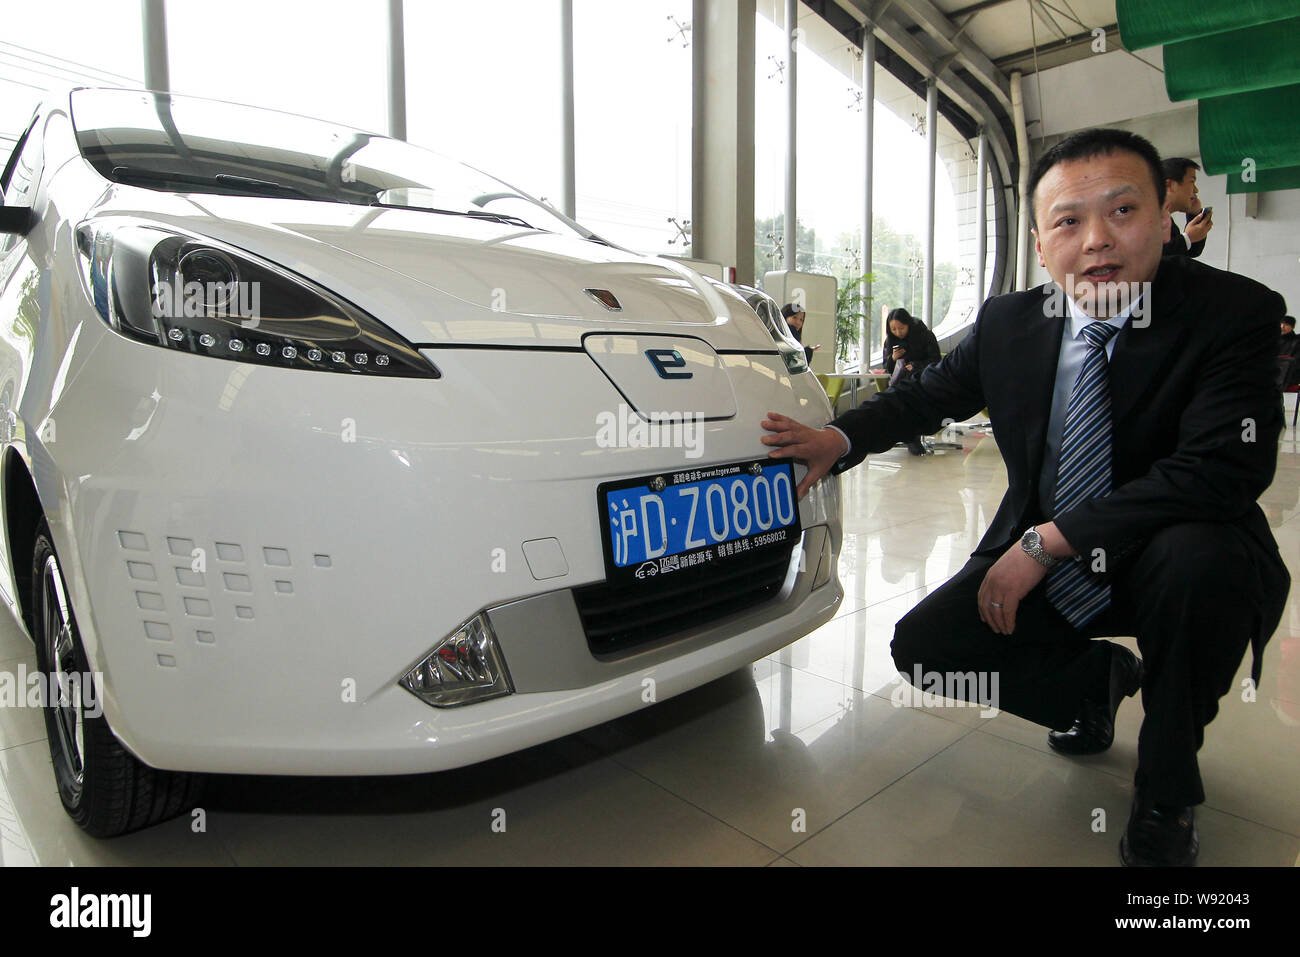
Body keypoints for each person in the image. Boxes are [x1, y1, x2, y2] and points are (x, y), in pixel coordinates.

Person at [760, 128, 1288, 867]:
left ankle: (1168, 786)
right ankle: (1097, 681)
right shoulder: (1012, 322)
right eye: (1069, 221)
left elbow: (1219, 471)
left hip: (1177, 551)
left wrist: (1046, 541)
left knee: (1201, 562)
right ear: (1042, 245)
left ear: (1164, 222)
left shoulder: (1234, 313)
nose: (1097, 240)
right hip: (1053, 548)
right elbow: (924, 399)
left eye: (1123, 210)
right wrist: (838, 440)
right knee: (928, 648)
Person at [882, 307, 942, 454]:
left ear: (908, 324)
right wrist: (893, 358)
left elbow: (936, 360)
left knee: (912, 402)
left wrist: (916, 365)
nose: (898, 332)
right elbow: (887, 367)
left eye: (901, 328)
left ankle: (911, 437)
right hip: (900, 382)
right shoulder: (891, 340)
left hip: (923, 380)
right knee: (898, 402)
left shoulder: (925, 335)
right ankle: (909, 436)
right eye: (894, 329)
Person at [1161, 157, 1212, 258]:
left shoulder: (1166, 220)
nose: (1196, 190)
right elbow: (1152, 258)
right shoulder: (1144, 218)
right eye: (1192, 182)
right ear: (1169, 185)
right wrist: (1186, 239)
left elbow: (1190, 252)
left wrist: (1194, 215)